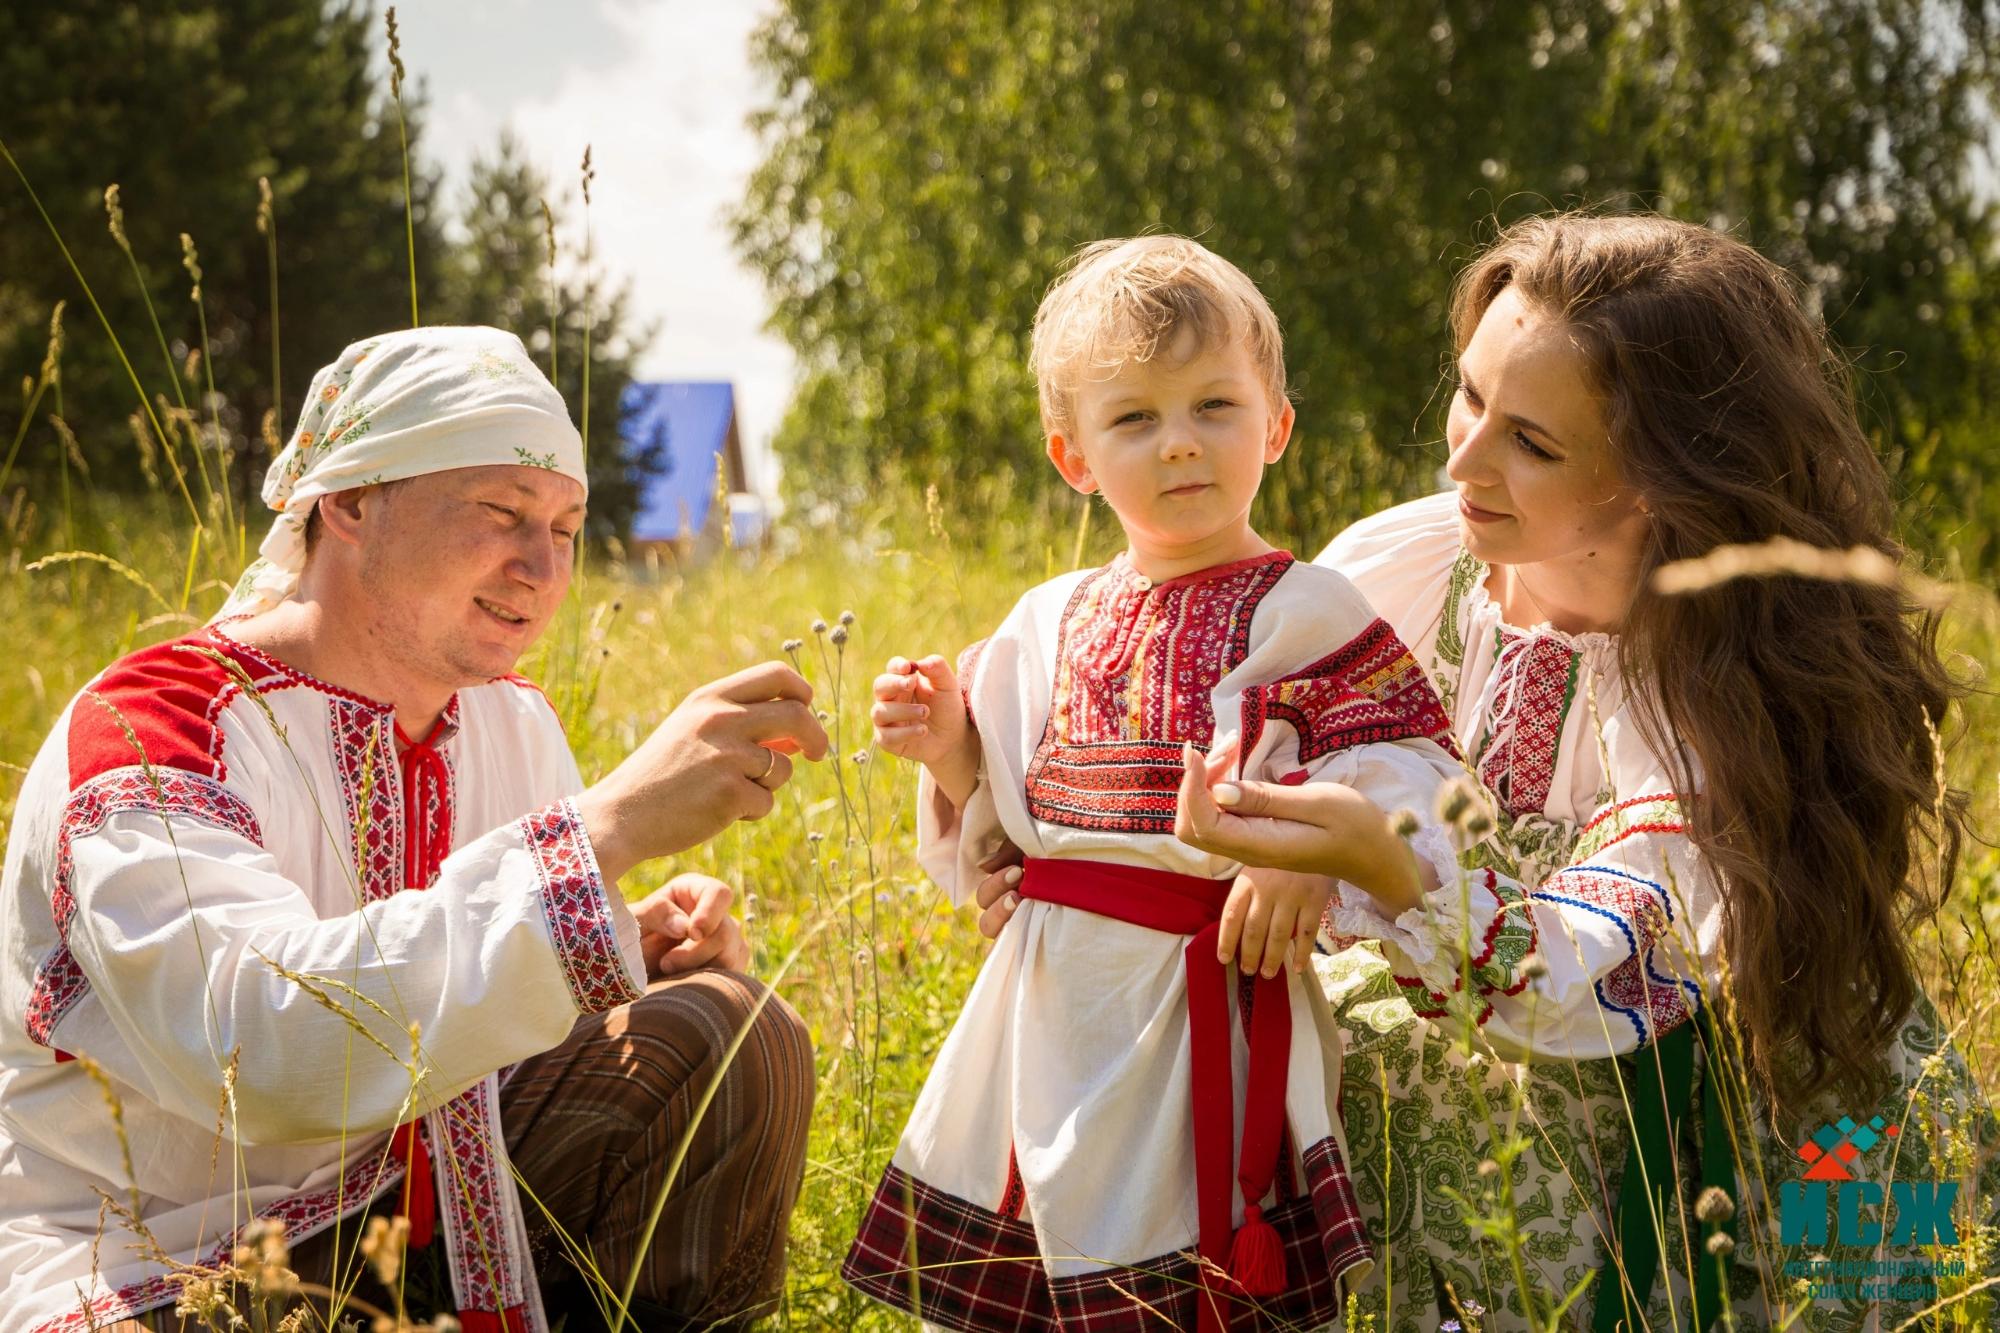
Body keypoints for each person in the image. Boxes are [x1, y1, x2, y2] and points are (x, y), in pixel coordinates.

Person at [1154, 212, 1998, 1329]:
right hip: (1443, 1080)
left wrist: (1386, 866)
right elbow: (1241, 747)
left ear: (1659, 475)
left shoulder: (1707, 697)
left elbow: (1570, 994)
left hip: (1682, 1104)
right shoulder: (1392, 570)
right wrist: (1280, 843)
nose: (1460, 459)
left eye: (1531, 443)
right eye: (1468, 397)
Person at [0, 327, 829, 1333]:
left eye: (565, 527)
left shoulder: (512, 720)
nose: (540, 567)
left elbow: (483, 1010)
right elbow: (254, 1051)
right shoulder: (155, 728)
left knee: (726, 1025)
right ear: (349, 499)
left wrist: (629, 953)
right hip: (165, 1260)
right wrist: (600, 831)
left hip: (431, 1202)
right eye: (499, 513)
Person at [840, 236, 1467, 1333]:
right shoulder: (1042, 620)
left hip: (1205, 1008)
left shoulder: (1307, 612)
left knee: (1187, 1278)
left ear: (1272, 424)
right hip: (1046, 1013)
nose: (1179, 443)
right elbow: (1003, 835)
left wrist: (1309, 861)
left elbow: (1416, 770)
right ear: (1072, 455)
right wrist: (947, 744)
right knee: (1030, 1268)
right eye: (1133, 418)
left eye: (1212, 406)